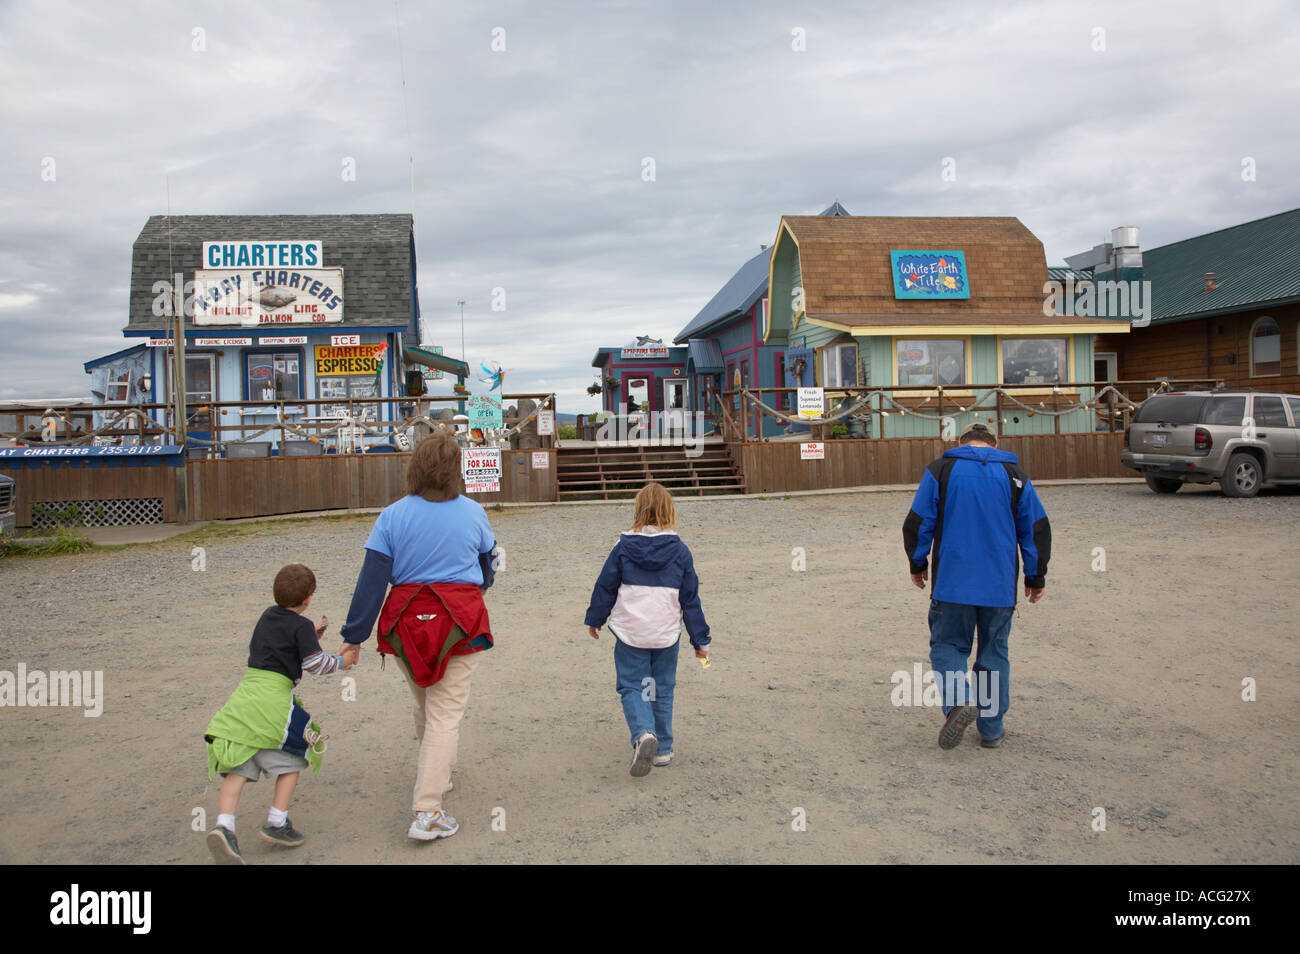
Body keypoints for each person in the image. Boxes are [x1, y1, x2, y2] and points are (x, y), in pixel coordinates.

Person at [340, 430, 498, 842]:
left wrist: (353, 637)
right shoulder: (473, 513)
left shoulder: (392, 515)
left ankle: (437, 773)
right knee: (445, 714)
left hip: (407, 620)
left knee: (427, 702)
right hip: (458, 620)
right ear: (456, 470)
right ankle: (427, 811)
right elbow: (487, 570)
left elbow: (372, 582)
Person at [901, 422, 1051, 750]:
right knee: (993, 652)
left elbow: (918, 521)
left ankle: (958, 703)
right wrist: (1035, 576)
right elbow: (1036, 528)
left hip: (952, 583)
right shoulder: (1016, 475)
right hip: (999, 586)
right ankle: (991, 729)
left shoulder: (941, 469)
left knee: (948, 645)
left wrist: (917, 563)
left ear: (962, 442)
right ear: (995, 444)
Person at [204, 563, 355, 865]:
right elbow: (314, 664)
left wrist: (308, 637)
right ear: (309, 598)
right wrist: (342, 661)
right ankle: (277, 821)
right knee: (298, 752)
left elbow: (278, 645)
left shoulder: (267, 617)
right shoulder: (301, 626)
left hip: (245, 697)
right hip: (273, 700)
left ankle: (224, 826)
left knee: (237, 762)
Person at [585, 482, 710, 776]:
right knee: (662, 688)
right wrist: (700, 640)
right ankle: (663, 748)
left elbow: (606, 585)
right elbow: (690, 600)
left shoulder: (623, 547)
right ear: (670, 511)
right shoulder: (681, 551)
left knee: (633, 685)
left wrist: (595, 618)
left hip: (632, 633)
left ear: (638, 509)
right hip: (666, 633)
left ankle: (643, 733)